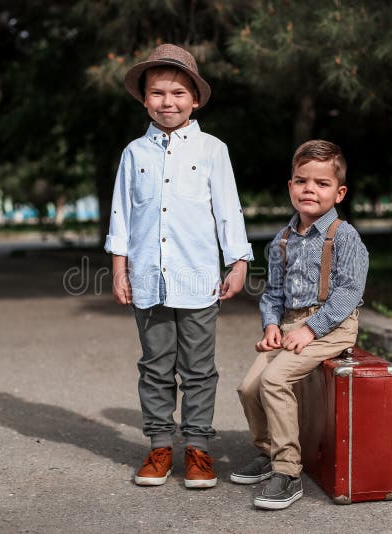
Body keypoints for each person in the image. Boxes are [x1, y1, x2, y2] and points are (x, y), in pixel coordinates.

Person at [104, 43, 253, 489]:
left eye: (177, 93)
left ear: (195, 99)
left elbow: (229, 210)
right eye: (157, 93)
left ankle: (199, 450)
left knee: (199, 369)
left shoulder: (212, 150)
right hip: (148, 280)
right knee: (155, 366)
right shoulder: (134, 154)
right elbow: (122, 215)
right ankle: (158, 447)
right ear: (143, 98)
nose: (167, 102)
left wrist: (239, 261)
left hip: (199, 280)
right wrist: (118, 268)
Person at [231, 140, 368, 509]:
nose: (310, 189)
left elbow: (349, 292)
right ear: (290, 186)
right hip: (291, 325)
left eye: (321, 184)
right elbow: (273, 293)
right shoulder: (282, 240)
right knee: (248, 387)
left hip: (332, 326)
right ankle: (269, 451)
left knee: (275, 381)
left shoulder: (344, 236)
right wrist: (271, 326)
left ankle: (288, 472)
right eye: (301, 180)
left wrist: (311, 330)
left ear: (338, 192)